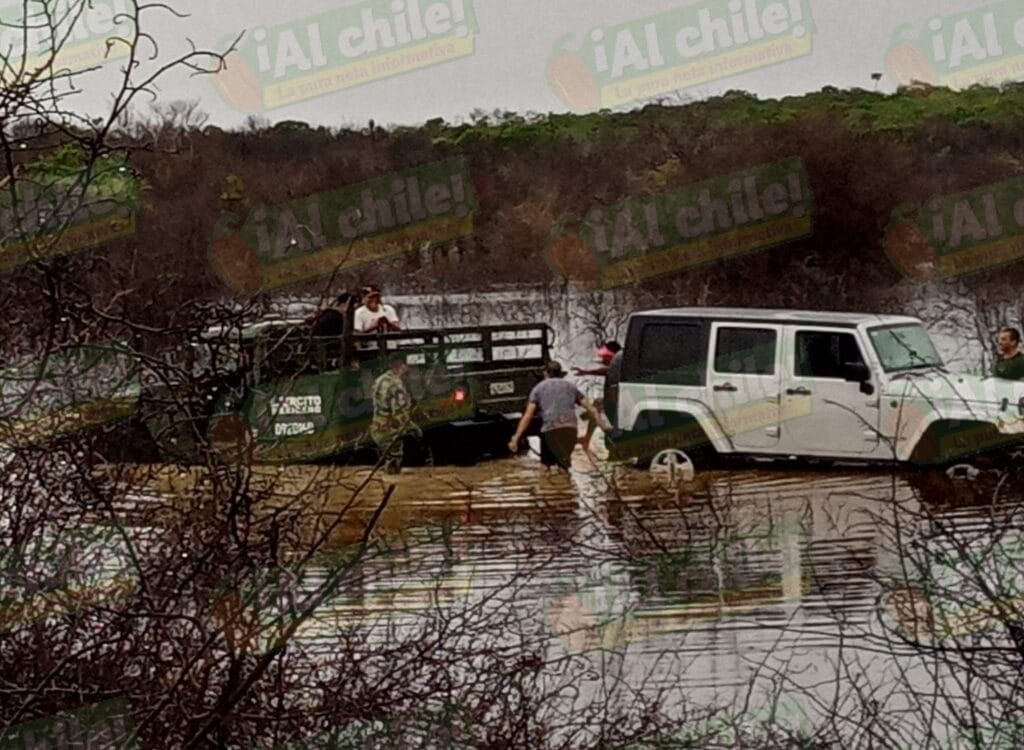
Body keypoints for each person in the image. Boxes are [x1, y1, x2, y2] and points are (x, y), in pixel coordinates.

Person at [508, 361, 600, 471]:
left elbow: (527, 416)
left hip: (550, 431)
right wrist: (590, 435)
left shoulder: (538, 389)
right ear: (560, 373)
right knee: (564, 467)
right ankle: (568, 486)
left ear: (545, 373)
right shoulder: (571, 387)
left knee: (545, 467)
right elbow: (592, 410)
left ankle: (547, 487)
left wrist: (516, 438)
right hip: (570, 430)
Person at [371, 352, 421, 474]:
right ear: (400, 365)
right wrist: (413, 428)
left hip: (377, 426)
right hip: (391, 429)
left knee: (387, 458)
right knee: (394, 462)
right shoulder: (396, 384)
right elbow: (398, 411)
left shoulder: (380, 380)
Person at [572, 341, 621, 451]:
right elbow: (605, 371)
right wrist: (586, 372)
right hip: (616, 398)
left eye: (605, 357)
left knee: (596, 409)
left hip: (620, 399)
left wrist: (586, 372)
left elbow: (606, 371)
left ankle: (609, 436)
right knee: (596, 406)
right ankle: (588, 439)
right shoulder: (619, 361)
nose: (603, 360)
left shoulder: (619, 361)